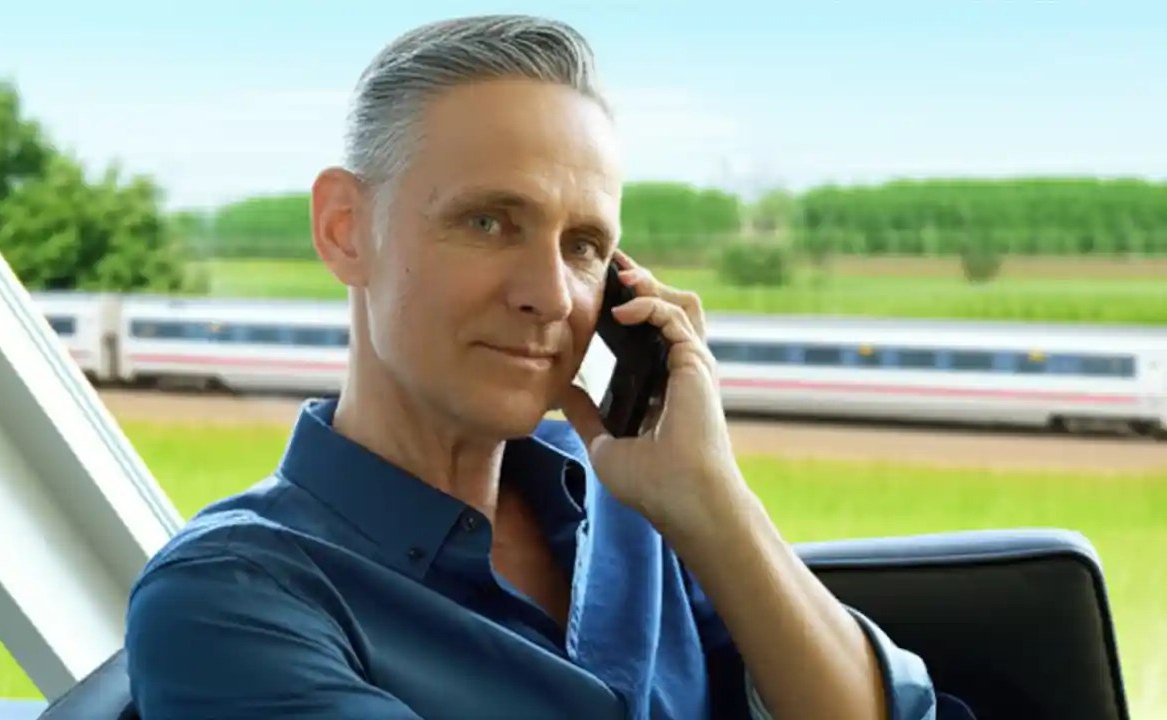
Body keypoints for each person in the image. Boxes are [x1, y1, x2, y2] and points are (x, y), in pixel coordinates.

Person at [124, 14, 943, 719]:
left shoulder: (637, 505)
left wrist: (713, 500)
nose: (550, 295)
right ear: (345, 229)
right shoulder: (233, 599)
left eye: (584, 246)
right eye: (488, 222)